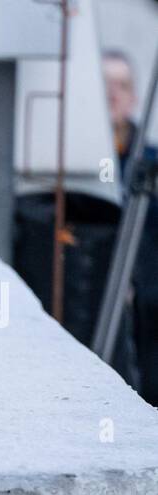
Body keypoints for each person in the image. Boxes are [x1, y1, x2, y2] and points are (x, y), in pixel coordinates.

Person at [103, 48, 158, 403]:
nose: (113, 93)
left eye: (121, 85)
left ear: (134, 95)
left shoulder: (150, 164)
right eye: (105, 84)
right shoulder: (69, 163)